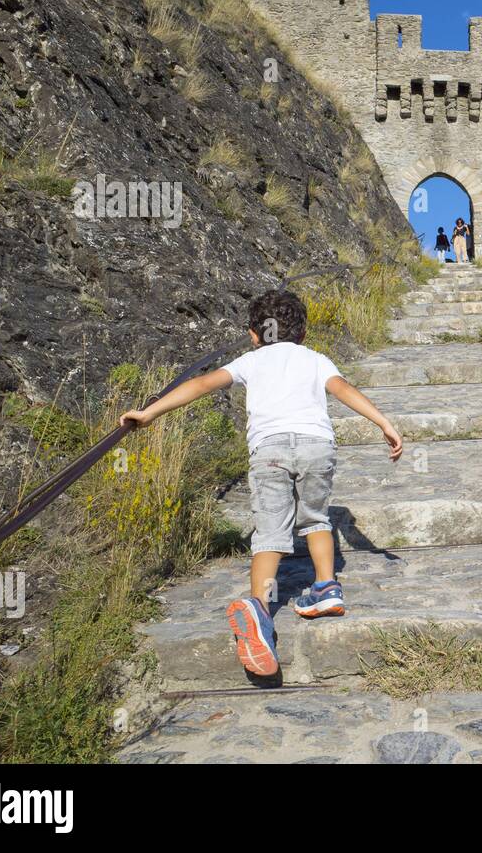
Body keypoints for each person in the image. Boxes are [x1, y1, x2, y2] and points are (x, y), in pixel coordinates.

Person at [119, 289, 403, 677]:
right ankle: (326, 588)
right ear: (303, 333)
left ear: (254, 334)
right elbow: (343, 390)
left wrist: (149, 413)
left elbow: (202, 384)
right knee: (316, 517)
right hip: (316, 447)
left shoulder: (251, 361)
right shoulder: (317, 359)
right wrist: (384, 423)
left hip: (269, 449)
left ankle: (259, 610)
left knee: (271, 532)